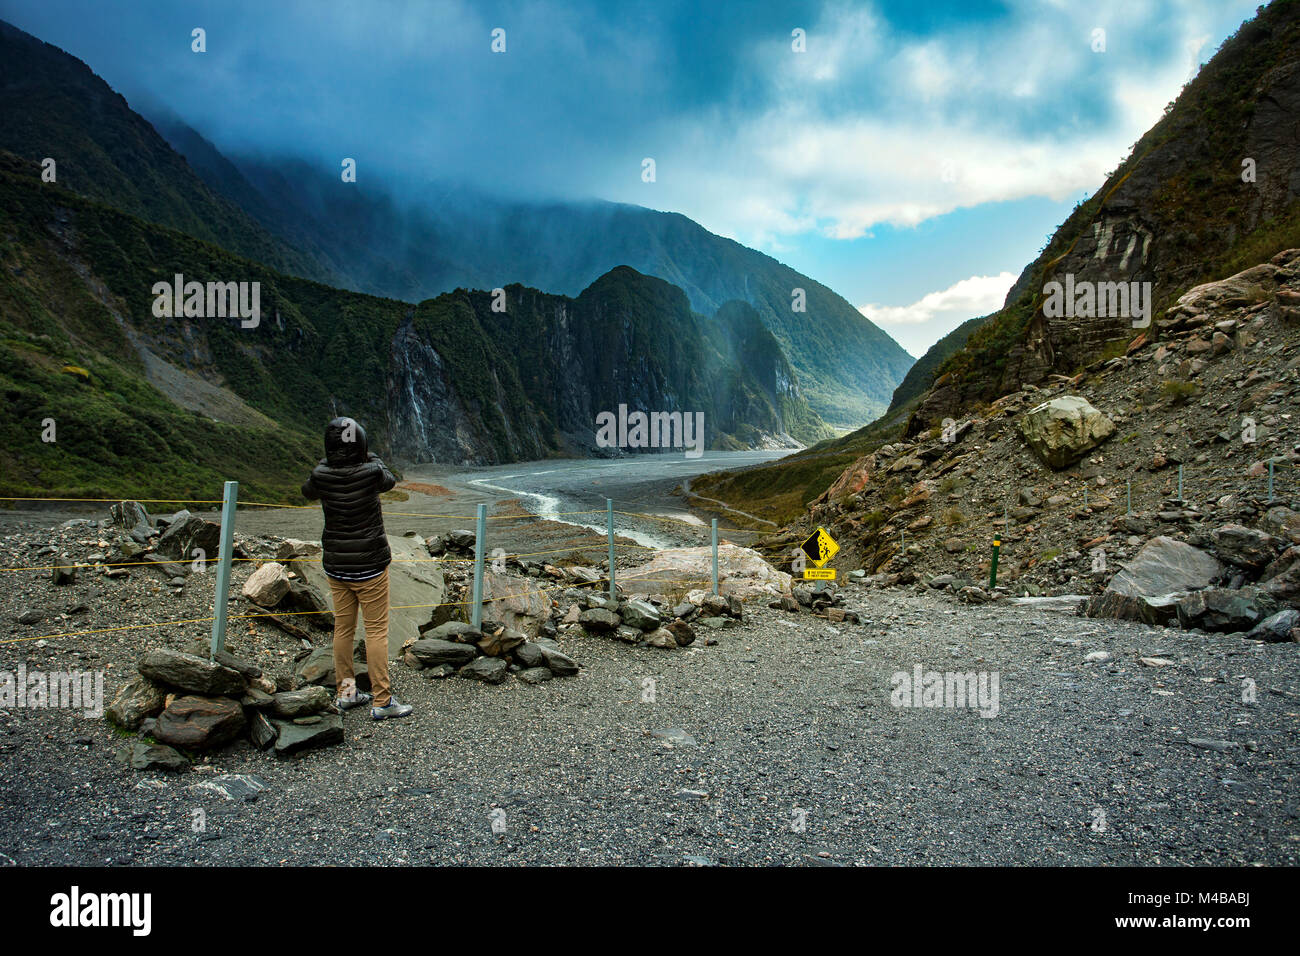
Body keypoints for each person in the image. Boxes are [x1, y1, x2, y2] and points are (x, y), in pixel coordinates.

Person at [301, 417, 412, 721]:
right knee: (376, 631)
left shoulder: (320, 474)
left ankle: (347, 693)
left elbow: (307, 491)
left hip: (337, 566)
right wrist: (371, 455)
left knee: (343, 630)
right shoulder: (372, 471)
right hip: (371, 566)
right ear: (360, 445)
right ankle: (382, 700)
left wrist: (330, 462)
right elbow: (389, 479)